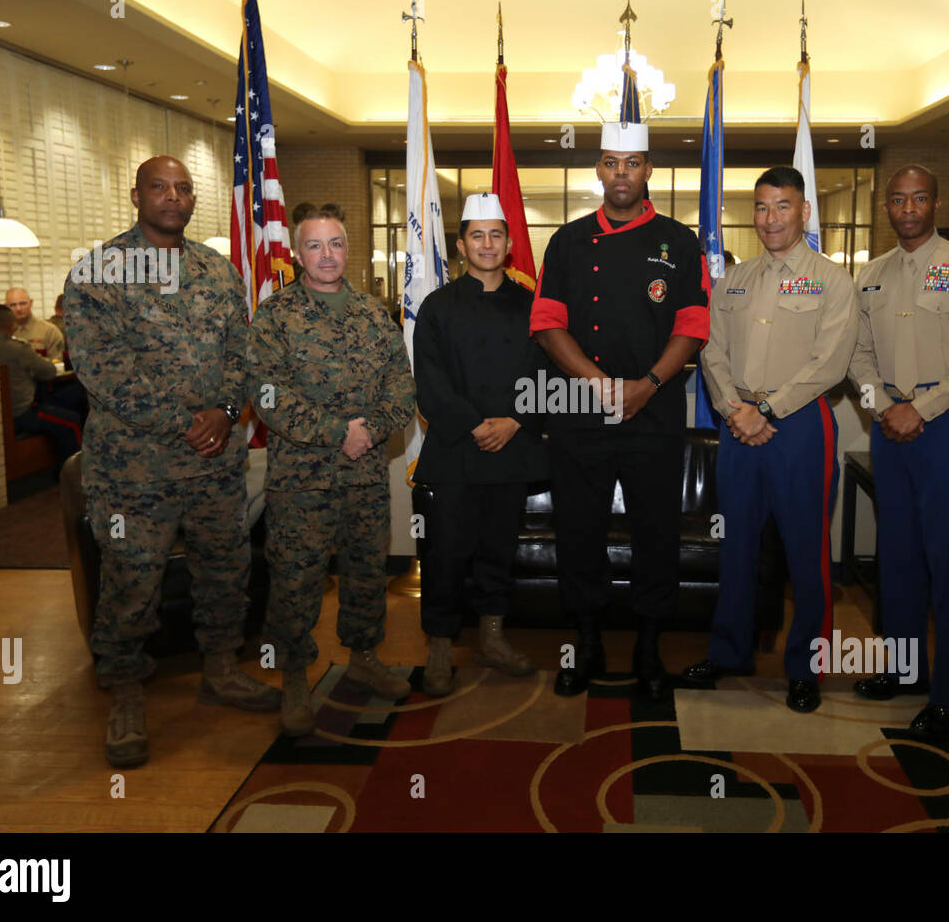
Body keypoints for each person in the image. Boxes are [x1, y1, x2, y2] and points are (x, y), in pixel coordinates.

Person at [64, 154, 280, 769]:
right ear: (136, 195)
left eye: (183, 189)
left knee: (224, 571)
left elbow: (244, 351)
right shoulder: (99, 272)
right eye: (159, 186)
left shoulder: (217, 270)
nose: (173, 197)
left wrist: (226, 407)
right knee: (132, 580)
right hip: (136, 470)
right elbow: (104, 371)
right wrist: (185, 421)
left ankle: (220, 669)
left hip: (214, 465)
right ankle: (126, 690)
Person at [531, 122, 709, 701]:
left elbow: (693, 327)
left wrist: (648, 384)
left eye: (632, 164)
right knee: (578, 531)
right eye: (610, 163)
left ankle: (648, 648)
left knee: (655, 532)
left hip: (654, 414)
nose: (620, 174)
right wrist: (602, 385)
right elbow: (547, 323)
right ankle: (586, 645)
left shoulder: (679, 243)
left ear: (648, 169)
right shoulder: (568, 241)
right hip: (580, 414)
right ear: (599, 170)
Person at [686, 166, 858, 713]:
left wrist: (767, 410)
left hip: (799, 425)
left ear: (804, 212)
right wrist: (733, 408)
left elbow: (830, 363)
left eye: (782, 206)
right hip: (737, 422)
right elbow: (709, 349)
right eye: (761, 207)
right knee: (736, 548)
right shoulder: (734, 281)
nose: (770, 218)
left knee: (806, 550)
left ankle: (806, 667)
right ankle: (730, 651)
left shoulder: (833, 280)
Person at [847, 165, 949, 737]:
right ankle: (905, 670)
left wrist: (924, 408)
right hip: (889, 424)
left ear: (936, 204)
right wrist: (880, 406)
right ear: (886, 207)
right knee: (897, 552)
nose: (907, 208)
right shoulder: (870, 275)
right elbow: (855, 356)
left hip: (945, 424)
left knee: (948, 558)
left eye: (918, 198)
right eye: (897, 199)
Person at [247, 208, 415, 736]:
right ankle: (295, 676)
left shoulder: (372, 313)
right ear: (297, 254)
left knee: (366, 572)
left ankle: (364, 655)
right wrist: (336, 430)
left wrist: (369, 430)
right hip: (302, 480)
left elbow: (401, 385)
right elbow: (267, 394)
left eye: (336, 244)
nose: (327, 255)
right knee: (296, 579)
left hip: (364, 475)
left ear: (348, 249)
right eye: (315, 246)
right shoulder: (275, 316)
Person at [413, 193, 549, 696]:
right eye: (477, 235)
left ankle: (492, 636)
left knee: (499, 549)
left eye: (496, 235)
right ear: (461, 244)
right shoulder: (437, 306)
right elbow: (429, 380)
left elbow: (547, 372)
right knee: (447, 553)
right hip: (456, 450)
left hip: (513, 447)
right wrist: (475, 425)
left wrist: (515, 420)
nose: (487, 244)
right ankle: (440, 644)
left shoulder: (533, 307)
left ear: (510, 244)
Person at [0, 304, 81, 470]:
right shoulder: (17, 349)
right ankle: (72, 476)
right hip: (20, 415)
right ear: (11, 326)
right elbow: (49, 372)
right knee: (72, 421)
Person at [5, 287, 64, 359]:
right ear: (6, 306)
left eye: (23, 303)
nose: (18, 308)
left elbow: (58, 364)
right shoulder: (2, 333)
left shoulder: (50, 331)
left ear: (30, 303)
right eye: (13, 305)